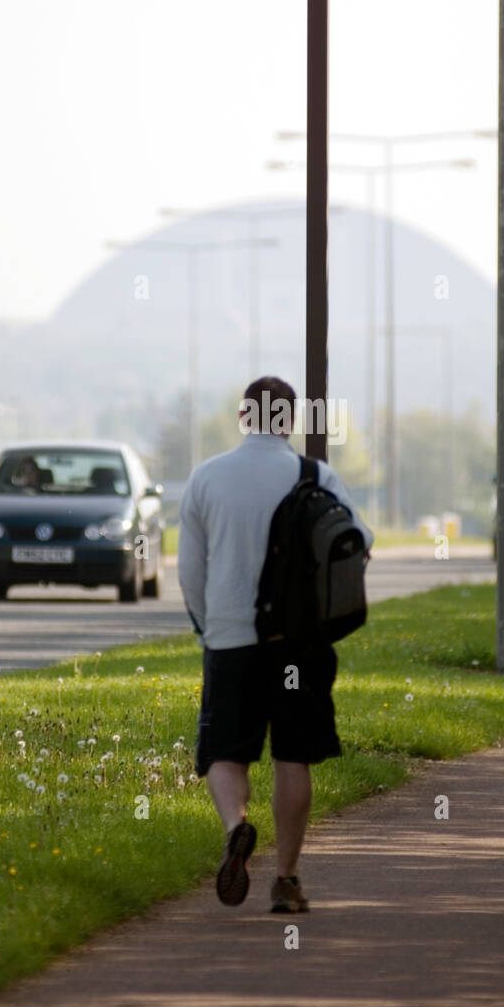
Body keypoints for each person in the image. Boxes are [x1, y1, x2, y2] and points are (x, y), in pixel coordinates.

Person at [178, 376, 373, 914]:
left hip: (231, 641)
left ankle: (236, 828)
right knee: (293, 757)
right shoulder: (317, 475)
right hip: (300, 646)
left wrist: (207, 625)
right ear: (290, 421)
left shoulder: (206, 479)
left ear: (244, 417)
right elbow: (360, 542)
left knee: (224, 751)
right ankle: (286, 880)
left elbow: (189, 570)